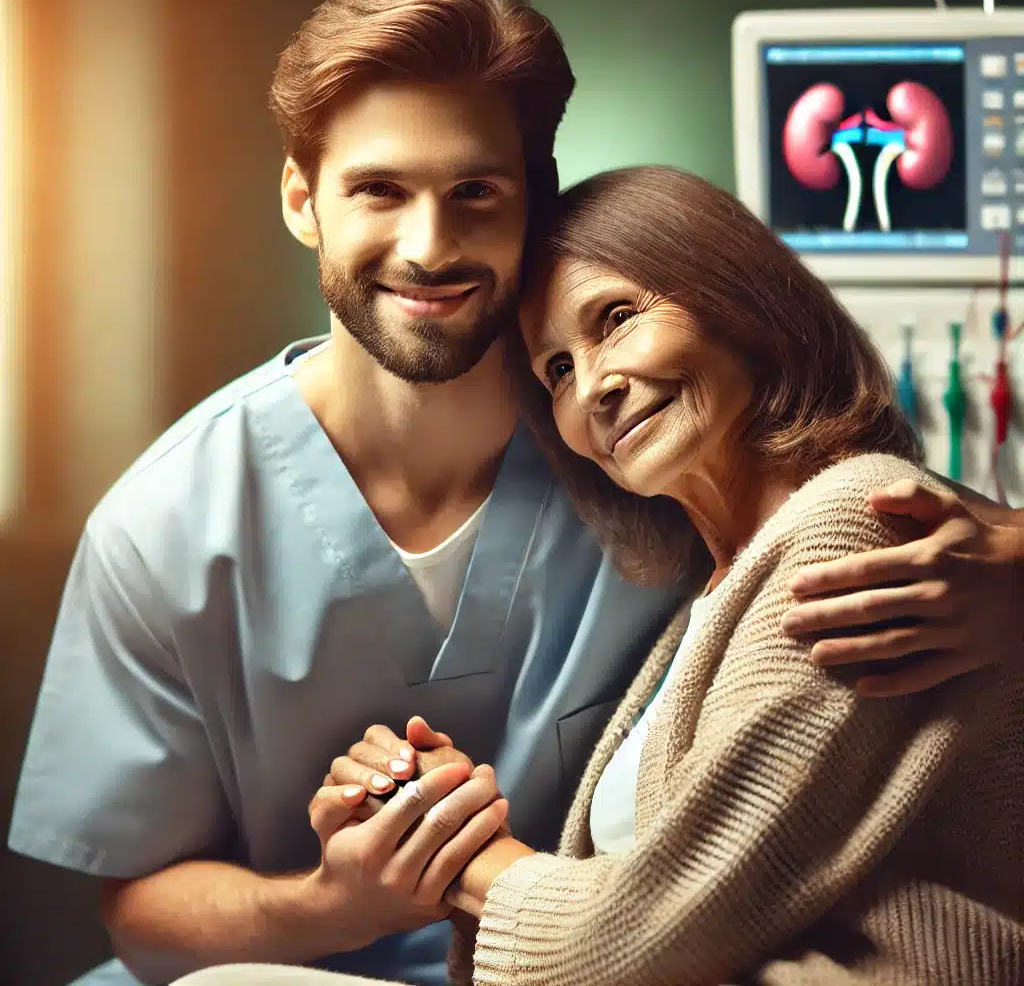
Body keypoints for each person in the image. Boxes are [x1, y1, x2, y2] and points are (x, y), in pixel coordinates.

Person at [7, 0, 1022, 986]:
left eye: (474, 192)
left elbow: (866, 510)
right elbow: (136, 910)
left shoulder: (649, 456)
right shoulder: (163, 525)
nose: (428, 245)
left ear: (529, 200)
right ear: (301, 199)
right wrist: (334, 899)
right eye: (378, 189)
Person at [185, 166, 1024, 986]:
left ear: (740, 296)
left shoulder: (849, 528)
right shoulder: (711, 592)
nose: (593, 386)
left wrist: (456, 845)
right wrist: (420, 797)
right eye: (556, 370)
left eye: (617, 318)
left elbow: (635, 938)